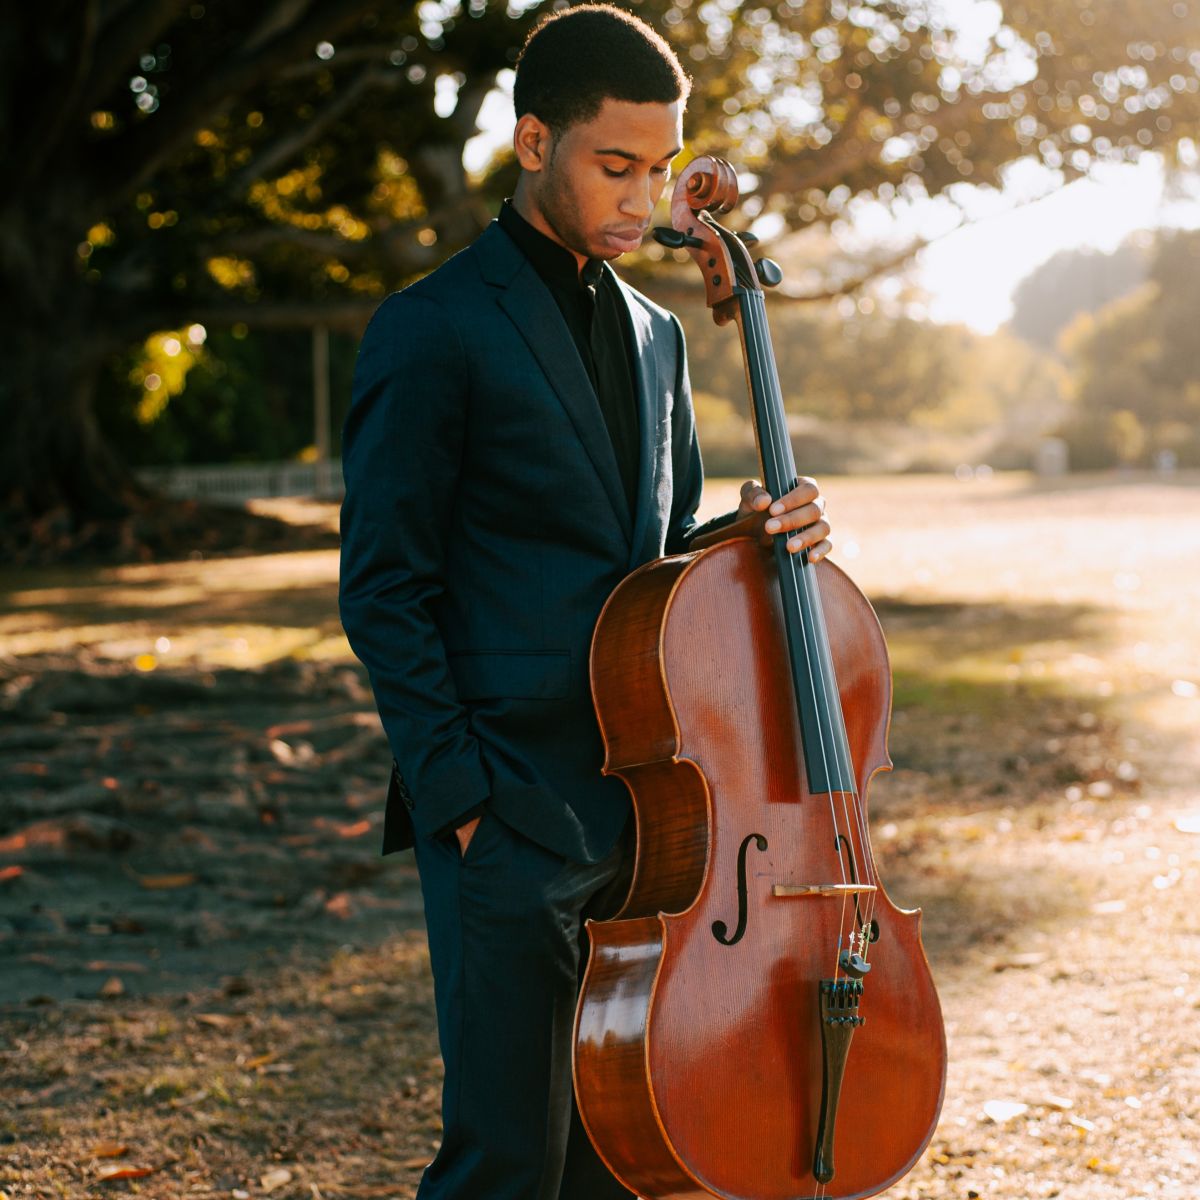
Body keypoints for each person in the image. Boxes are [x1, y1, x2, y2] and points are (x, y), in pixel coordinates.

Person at [338, 6, 832, 1198]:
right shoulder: (432, 327)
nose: (643, 199)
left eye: (659, 170)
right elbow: (384, 589)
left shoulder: (661, 337)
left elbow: (655, 562)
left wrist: (755, 536)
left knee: (623, 1151)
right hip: (506, 808)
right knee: (507, 1158)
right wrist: (460, 802)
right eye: (615, 166)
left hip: (652, 817)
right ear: (530, 143)